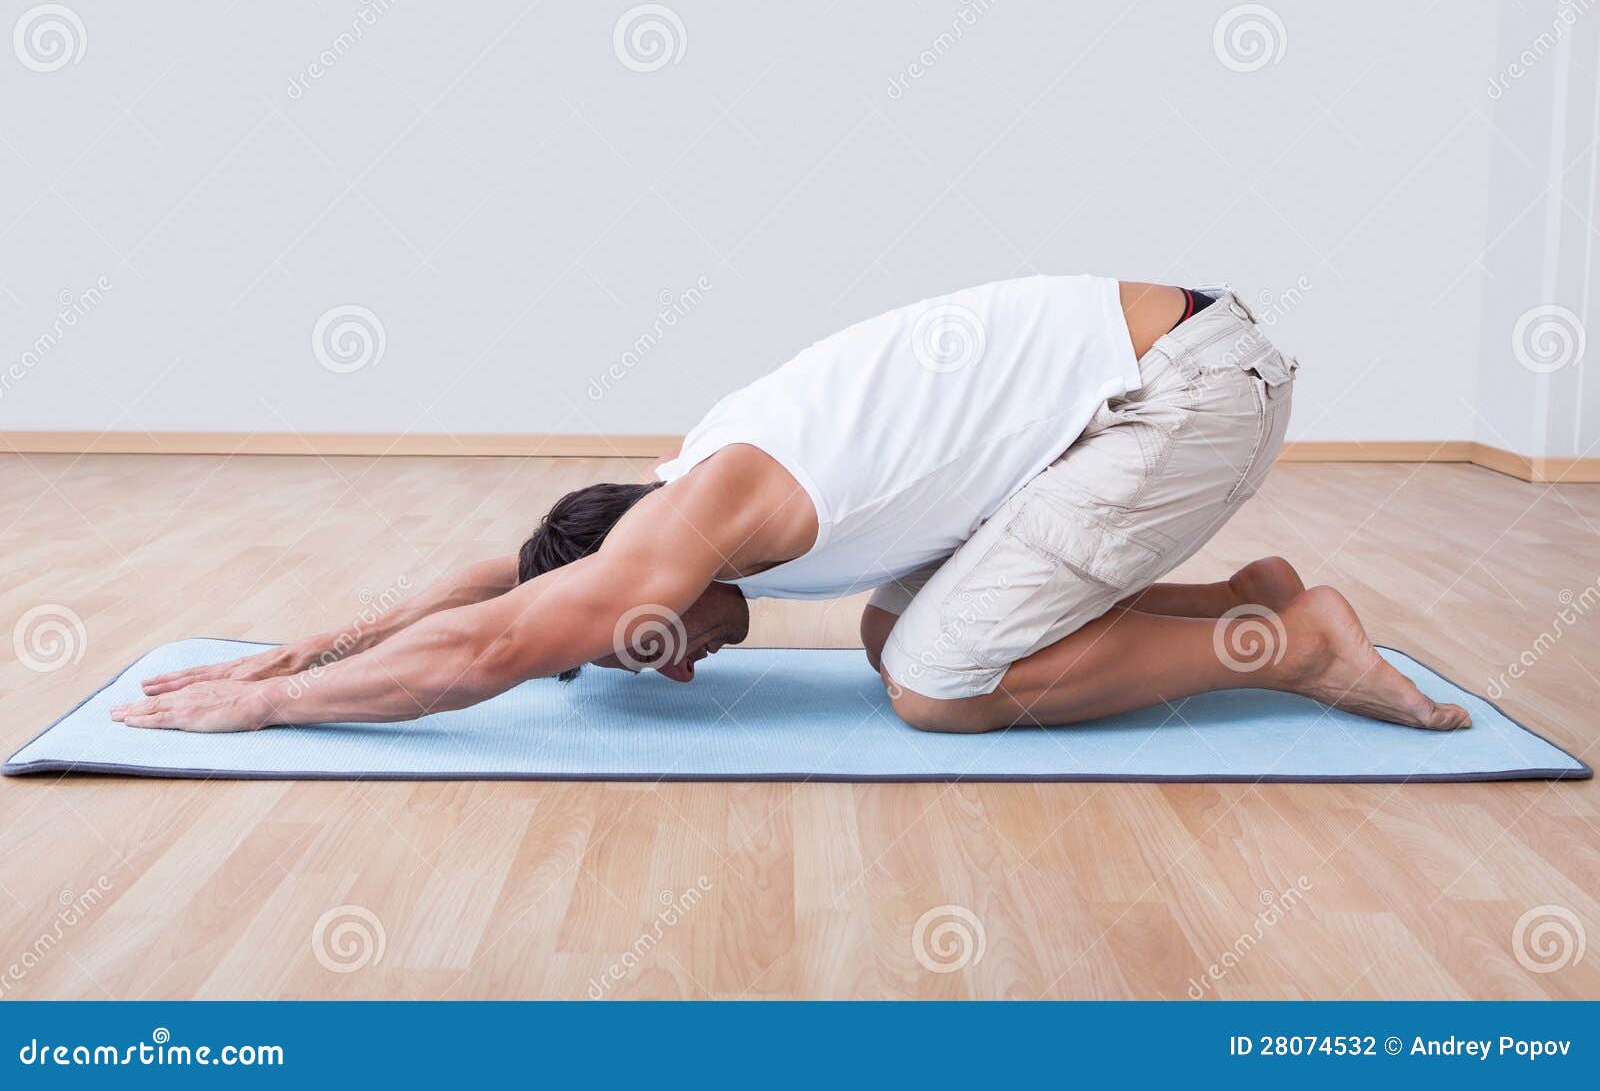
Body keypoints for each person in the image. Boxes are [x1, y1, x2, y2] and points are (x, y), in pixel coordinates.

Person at [114, 276, 1471, 735]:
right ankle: (1247, 610)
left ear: (632, 583)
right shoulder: (681, 486)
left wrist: (262, 707)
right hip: (1178, 372)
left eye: (637, 643)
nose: (671, 660)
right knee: (894, 631)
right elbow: (506, 582)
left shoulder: (690, 517)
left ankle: (1307, 649)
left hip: (1184, 395)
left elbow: (492, 646)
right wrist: (311, 644)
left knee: (934, 684)